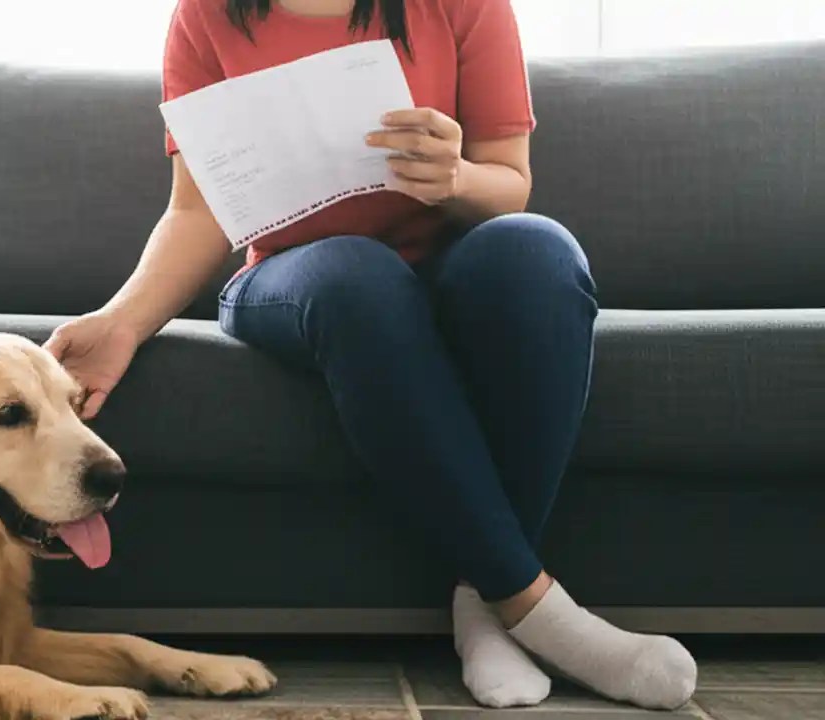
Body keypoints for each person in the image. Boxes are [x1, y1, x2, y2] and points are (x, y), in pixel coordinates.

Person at [45, 0, 697, 710]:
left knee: (541, 251)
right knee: (359, 275)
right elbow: (199, 211)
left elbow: (509, 181)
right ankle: (539, 611)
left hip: (450, 267)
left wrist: (454, 177)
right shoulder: (207, 15)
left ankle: (485, 607)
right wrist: (121, 323)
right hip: (298, 281)